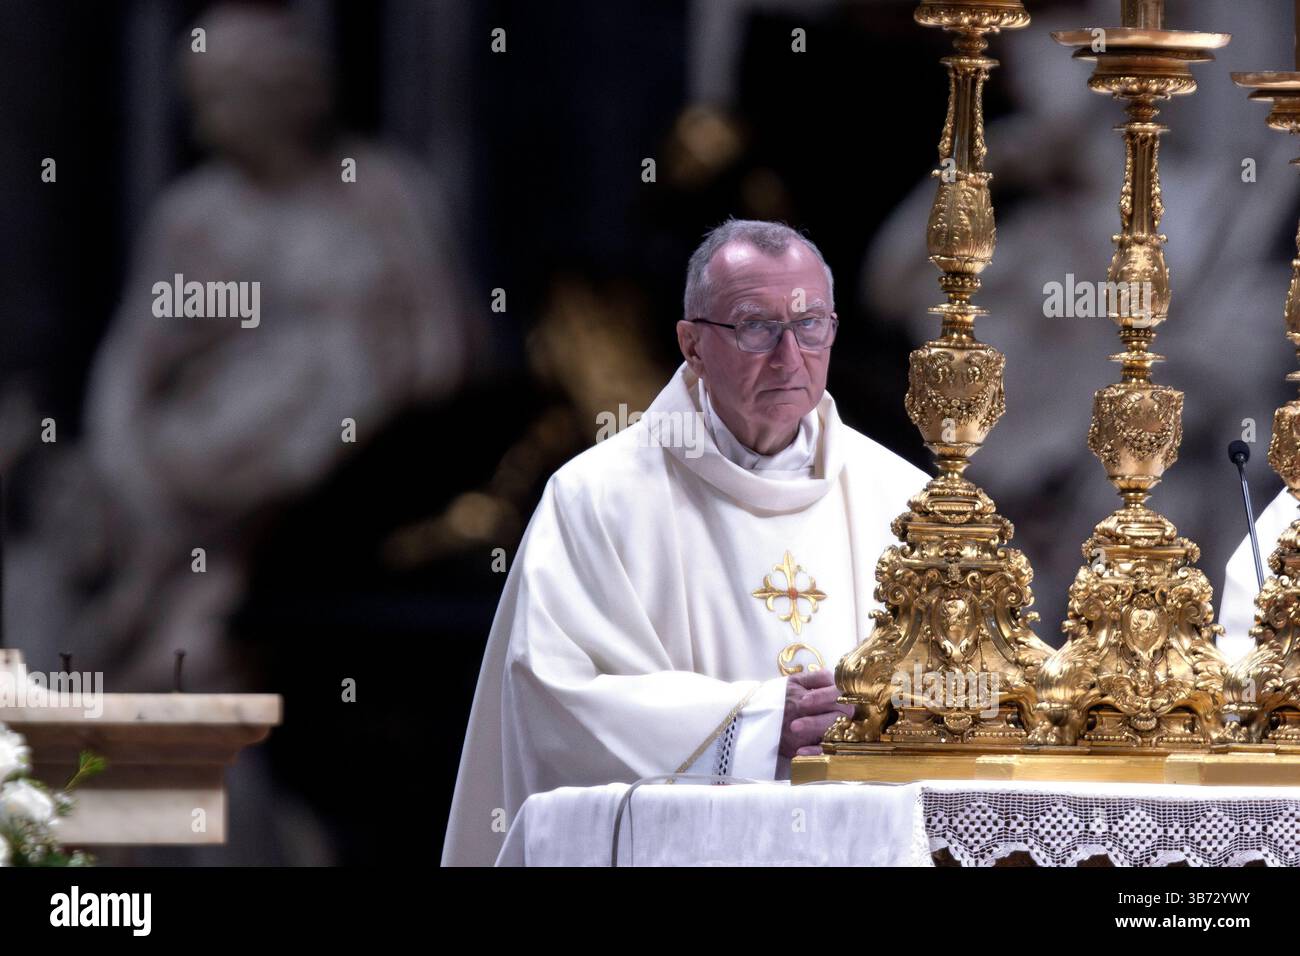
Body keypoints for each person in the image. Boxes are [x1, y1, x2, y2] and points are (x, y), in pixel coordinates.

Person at [442, 219, 929, 866]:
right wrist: (758, 724)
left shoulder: (906, 503)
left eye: (810, 325)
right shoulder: (596, 499)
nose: (791, 357)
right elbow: (556, 702)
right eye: (758, 327)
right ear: (692, 346)